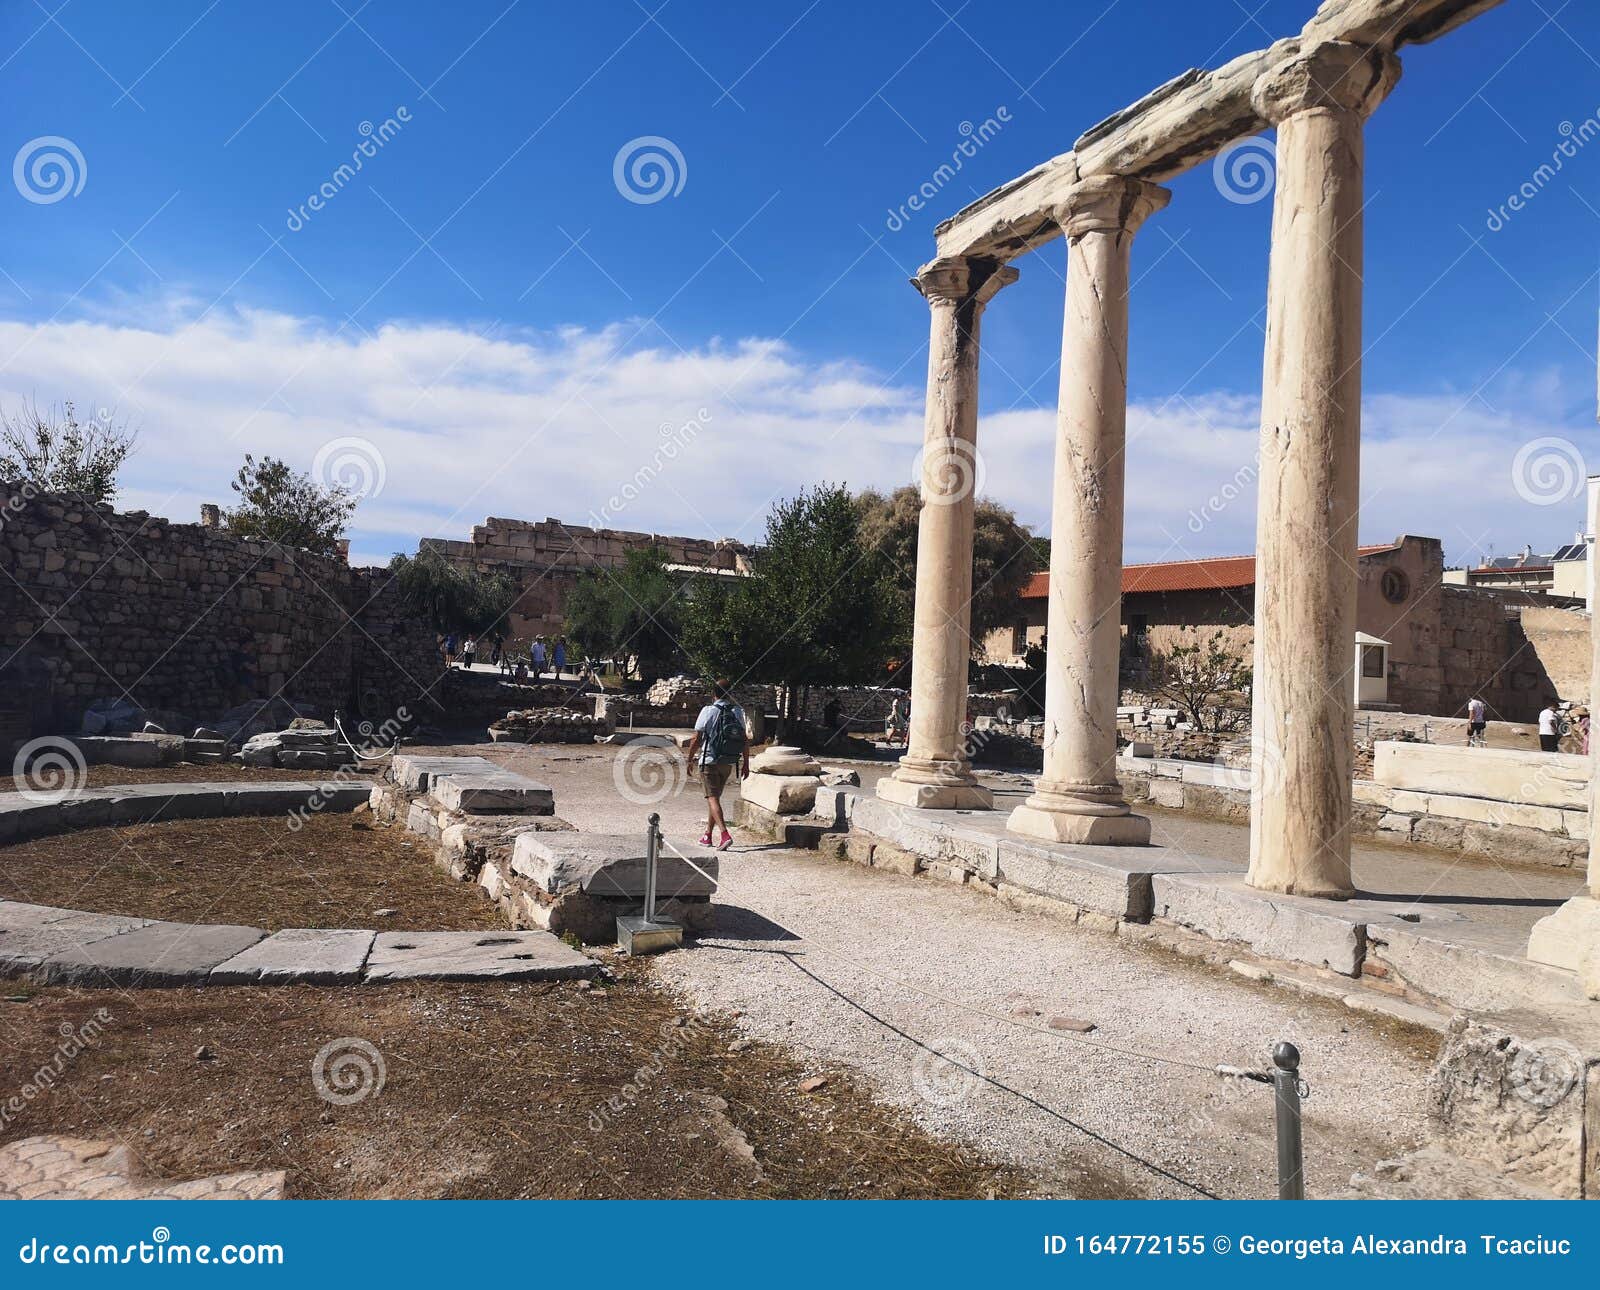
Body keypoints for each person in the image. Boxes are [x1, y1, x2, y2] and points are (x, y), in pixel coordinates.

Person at [687, 679, 749, 851]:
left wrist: (690, 759)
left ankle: (724, 835)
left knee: (712, 798)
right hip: (728, 761)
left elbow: (696, 739)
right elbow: (744, 740)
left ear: (713, 694)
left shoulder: (708, 711)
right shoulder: (737, 711)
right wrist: (746, 763)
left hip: (709, 760)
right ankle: (707, 835)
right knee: (715, 799)